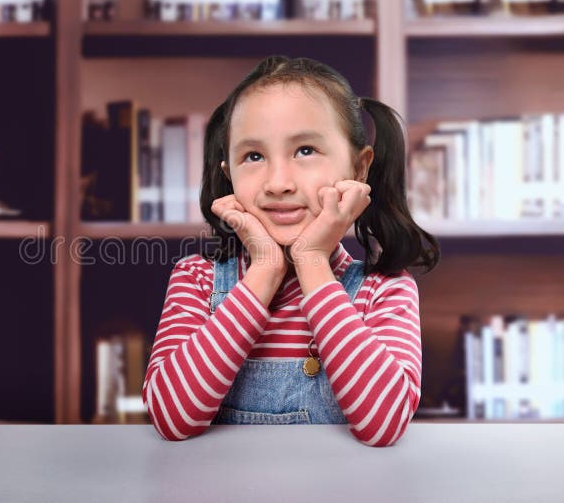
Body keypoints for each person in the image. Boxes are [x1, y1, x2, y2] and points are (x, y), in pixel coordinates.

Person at [141, 56, 440, 447]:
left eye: (305, 150)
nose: (278, 183)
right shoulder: (196, 279)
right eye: (253, 157)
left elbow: (383, 426)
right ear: (228, 174)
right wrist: (264, 270)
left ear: (359, 168)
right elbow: (171, 418)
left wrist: (313, 261)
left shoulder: (383, 290)